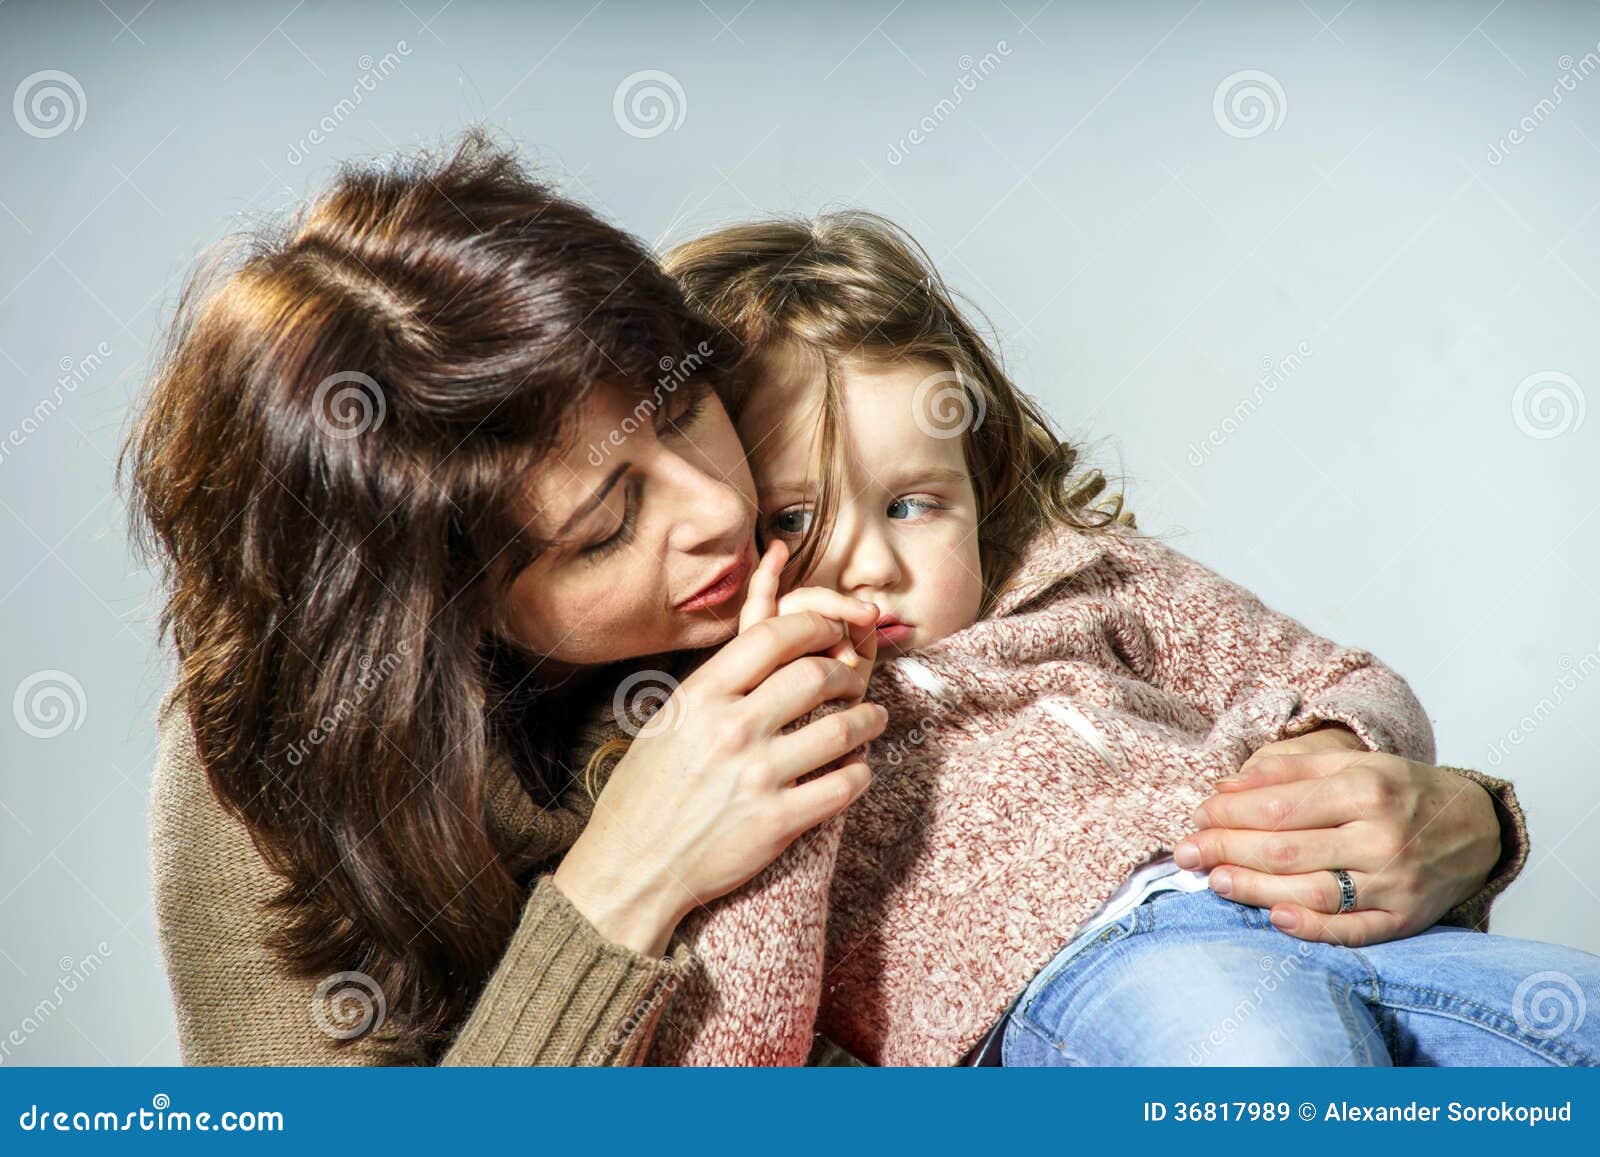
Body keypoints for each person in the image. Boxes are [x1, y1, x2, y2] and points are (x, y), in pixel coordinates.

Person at [127, 130, 1519, 1066]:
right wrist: (624, 888)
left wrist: (1459, 819)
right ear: (443, 615)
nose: (718, 513)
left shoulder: (914, 559)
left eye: (687, 414)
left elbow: (1246, 682)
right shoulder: (266, 776)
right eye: (608, 527)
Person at [640, 212, 1593, 1067]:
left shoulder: (1091, 576)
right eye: (794, 519)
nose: (872, 566)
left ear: (980, 480)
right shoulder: (718, 745)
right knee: (1271, 1069)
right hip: (1106, 978)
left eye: (912, 504)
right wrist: (792, 726)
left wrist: (1340, 744)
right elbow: (737, 1057)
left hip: (1342, 927)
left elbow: (1339, 673)